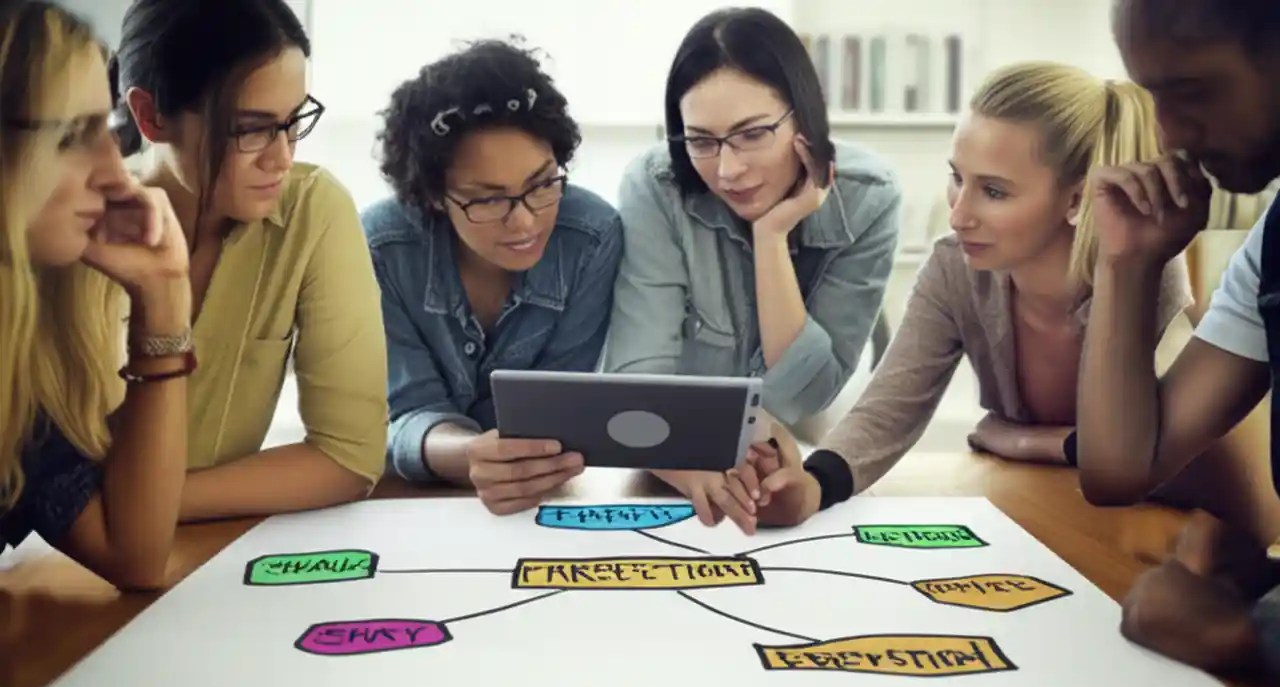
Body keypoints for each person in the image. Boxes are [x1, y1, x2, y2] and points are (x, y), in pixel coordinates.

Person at [736, 61, 1279, 537]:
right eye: (957, 179)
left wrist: (1028, 442)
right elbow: (888, 410)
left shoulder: (1143, 276)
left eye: (993, 191)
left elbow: (1159, 458)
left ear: (1076, 200)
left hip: (1208, 524)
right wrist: (813, 485)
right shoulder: (956, 268)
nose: (958, 213)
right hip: (1063, 512)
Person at [601, 7, 901, 527]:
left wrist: (771, 237)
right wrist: (696, 466)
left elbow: (804, 395)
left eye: (753, 133)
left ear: (804, 118)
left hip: (782, 450)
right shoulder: (655, 186)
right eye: (700, 141)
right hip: (674, 469)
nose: (728, 169)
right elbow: (637, 385)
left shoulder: (868, 199)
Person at [110, 0, 388, 521]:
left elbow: (349, 457)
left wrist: (142, 509)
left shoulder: (313, 209)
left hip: (199, 548)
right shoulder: (76, 226)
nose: (281, 157)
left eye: (292, 121)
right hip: (61, 561)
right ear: (150, 116)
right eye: (251, 129)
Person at [1076, 0, 1280, 680]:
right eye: (1153, 97)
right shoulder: (1273, 246)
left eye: (1191, 92)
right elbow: (1120, 468)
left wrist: (1248, 638)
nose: (1169, 136)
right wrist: (1128, 263)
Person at [363, 39, 623, 516]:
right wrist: (466, 455)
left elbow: (555, 411)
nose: (525, 222)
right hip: (410, 507)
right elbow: (397, 413)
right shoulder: (382, 248)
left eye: (542, 183)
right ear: (434, 196)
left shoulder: (590, 237)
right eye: (487, 199)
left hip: (537, 506)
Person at [0, 1, 190, 590]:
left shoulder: (17, 360)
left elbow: (132, 554)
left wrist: (164, 293)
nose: (115, 175)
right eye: (69, 137)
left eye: (105, 131)